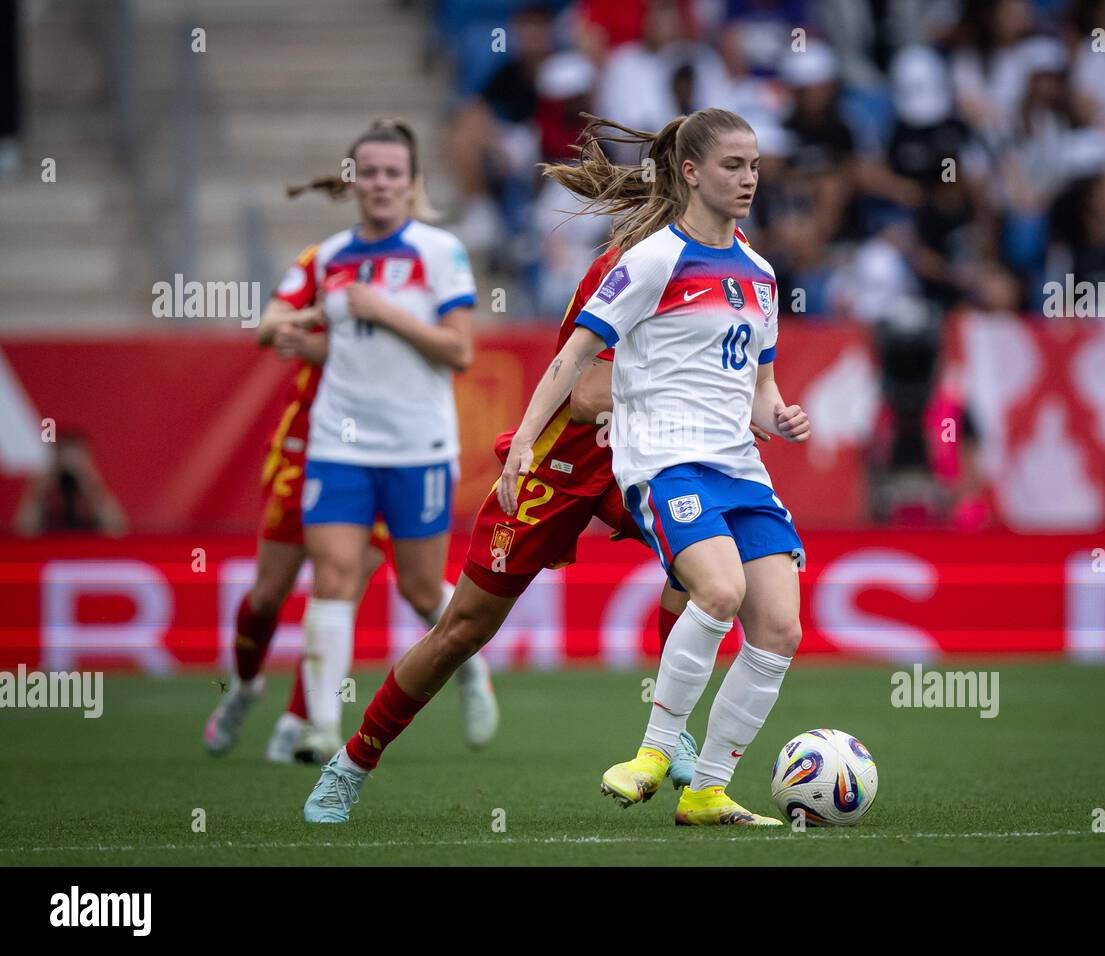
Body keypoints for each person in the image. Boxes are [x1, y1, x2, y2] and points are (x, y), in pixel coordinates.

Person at [301, 108, 809, 827]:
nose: (747, 181)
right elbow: (584, 389)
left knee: (706, 577)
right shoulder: (636, 265)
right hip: (571, 461)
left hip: (661, 461)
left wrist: (755, 414)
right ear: (689, 178)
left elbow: (748, 377)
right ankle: (355, 758)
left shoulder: (743, 267)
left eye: (751, 167)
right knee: (463, 629)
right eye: (733, 167)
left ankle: (676, 744)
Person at [284, 118, 497, 764]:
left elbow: (459, 350)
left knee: (420, 589)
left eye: (391, 174)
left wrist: (388, 312)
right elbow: (344, 346)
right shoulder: (328, 257)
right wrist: (304, 341)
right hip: (339, 440)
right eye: (368, 172)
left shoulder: (439, 251)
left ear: (410, 184)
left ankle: (467, 666)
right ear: (352, 182)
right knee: (334, 575)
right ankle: (322, 726)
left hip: (417, 445)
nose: (379, 184)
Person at [200, 276, 388, 763]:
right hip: (308, 446)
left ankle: (299, 718)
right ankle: (243, 688)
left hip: (385, 448)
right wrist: (301, 328)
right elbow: (267, 330)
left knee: (341, 587)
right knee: (268, 594)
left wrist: (319, 345)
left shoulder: (427, 257)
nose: (385, 194)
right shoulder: (325, 260)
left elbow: (426, 352)